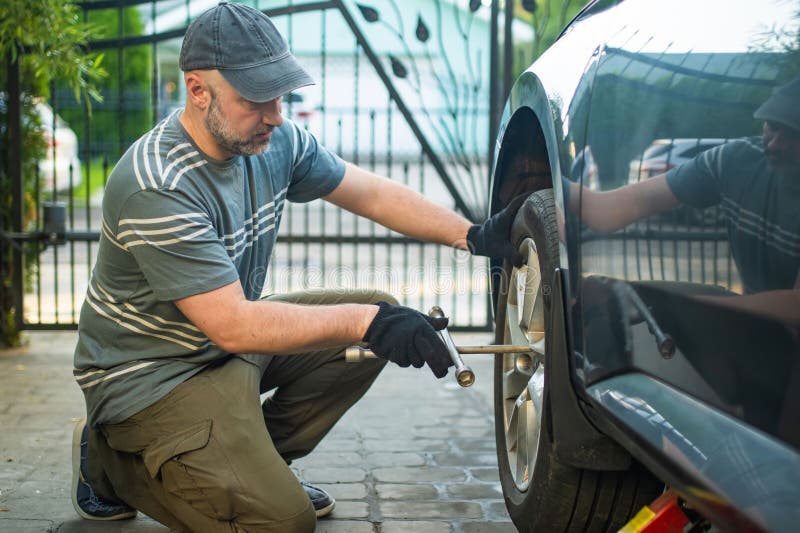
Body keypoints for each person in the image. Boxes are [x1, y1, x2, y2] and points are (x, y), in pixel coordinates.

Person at [69, 3, 524, 532]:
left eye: (280, 93)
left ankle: (249, 467)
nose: (277, 114)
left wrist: (470, 235)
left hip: (220, 347)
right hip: (151, 379)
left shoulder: (270, 139)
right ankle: (108, 462)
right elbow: (234, 324)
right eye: (256, 98)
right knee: (284, 522)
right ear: (198, 91)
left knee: (382, 313)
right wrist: (364, 323)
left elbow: (369, 192)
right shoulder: (158, 184)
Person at [566, 75, 800, 302]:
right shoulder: (734, 161)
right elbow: (611, 209)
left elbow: (795, 308)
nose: (775, 144)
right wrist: (554, 185)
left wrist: (695, 307)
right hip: (758, 325)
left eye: (794, 134)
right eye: (772, 126)